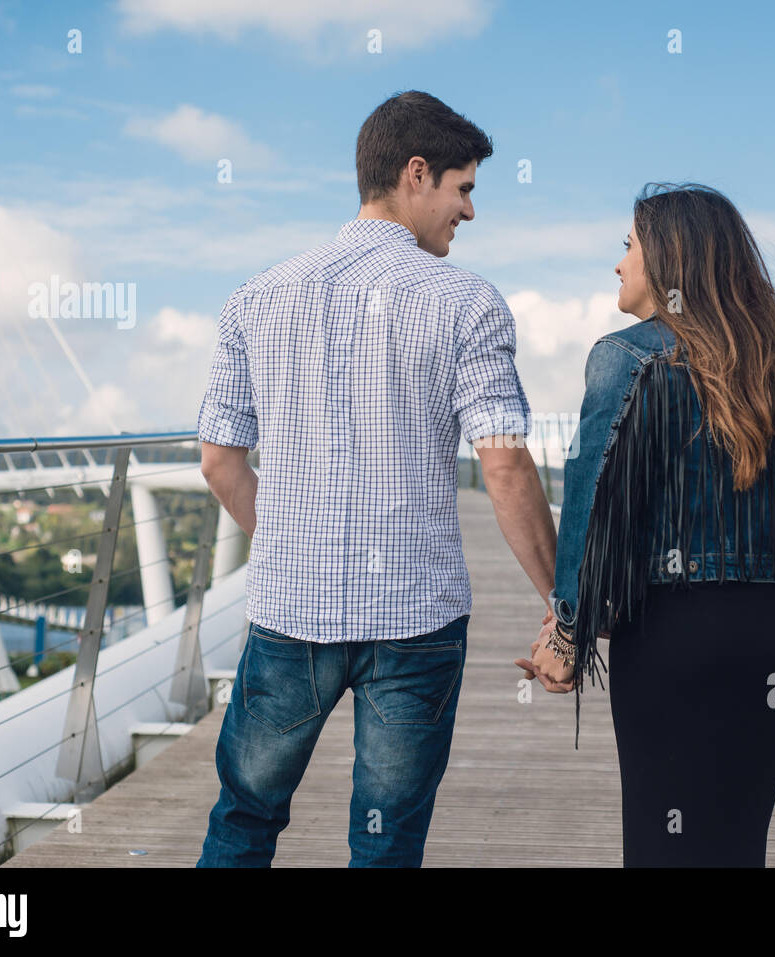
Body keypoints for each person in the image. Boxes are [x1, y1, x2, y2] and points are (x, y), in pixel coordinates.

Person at [195, 91, 558, 867]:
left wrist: (293, 539)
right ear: (415, 173)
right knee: (387, 842)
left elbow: (219, 461)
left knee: (245, 818)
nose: (469, 211)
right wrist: (564, 600)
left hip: (291, 610)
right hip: (414, 619)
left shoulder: (256, 298)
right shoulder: (467, 302)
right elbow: (503, 460)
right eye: (463, 188)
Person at [518, 182, 775, 867]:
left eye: (628, 248)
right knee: (738, 846)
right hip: (774, 638)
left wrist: (569, 626)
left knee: (663, 843)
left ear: (671, 262)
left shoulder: (624, 358)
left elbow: (591, 499)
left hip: (676, 636)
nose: (618, 264)